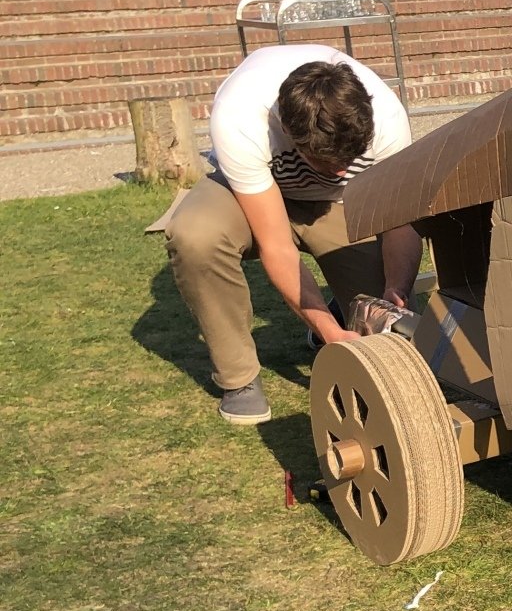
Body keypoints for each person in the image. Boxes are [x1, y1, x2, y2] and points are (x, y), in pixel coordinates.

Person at [166, 45, 421, 425]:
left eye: (349, 159)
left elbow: (401, 221)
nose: (339, 170)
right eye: (326, 161)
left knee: (379, 319)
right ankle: (240, 378)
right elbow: (278, 246)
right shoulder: (242, 115)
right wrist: (328, 332)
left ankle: (337, 312)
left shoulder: (387, 117)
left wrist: (395, 295)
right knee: (195, 236)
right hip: (255, 196)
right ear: (287, 129)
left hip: (340, 204)